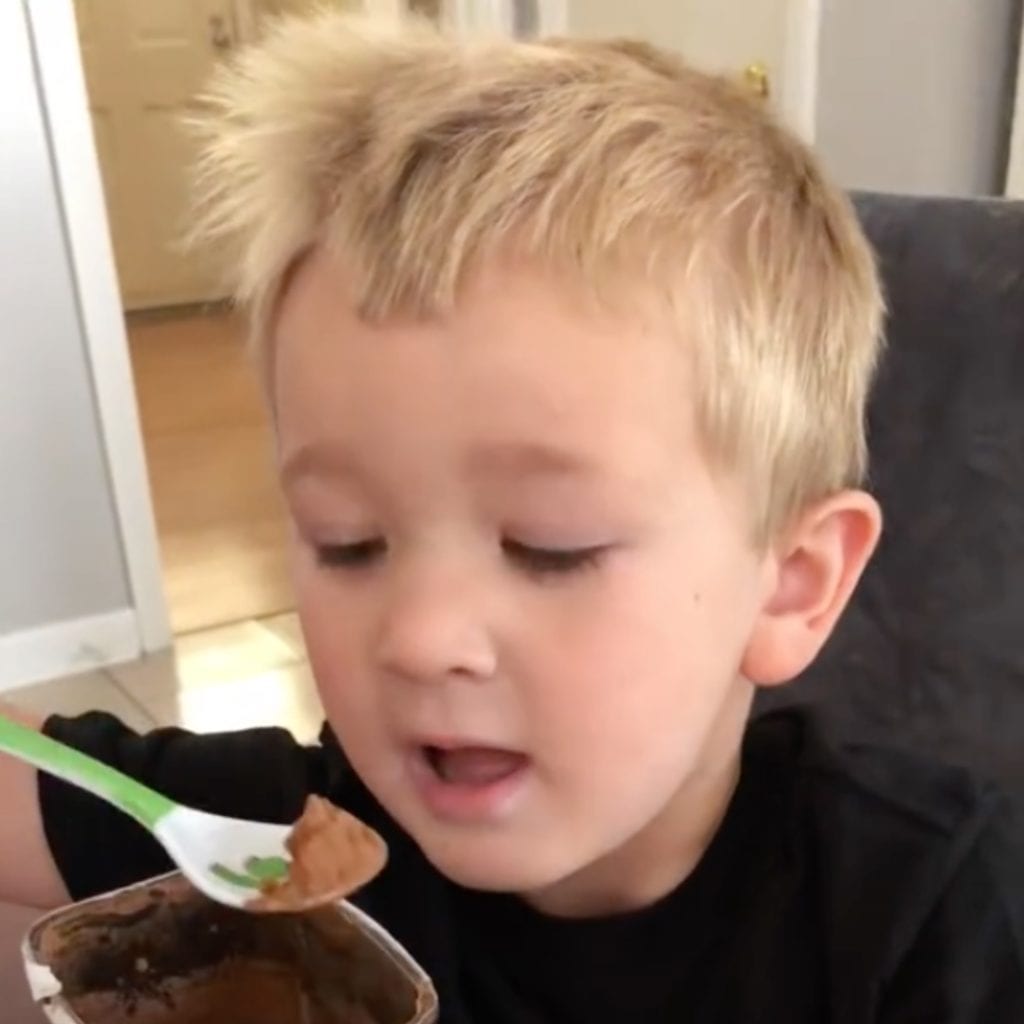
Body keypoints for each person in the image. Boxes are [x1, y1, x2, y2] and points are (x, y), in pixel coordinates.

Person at [1, 11, 1021, 1021]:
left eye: (549, 547)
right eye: (347, 540)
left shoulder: (927, 909)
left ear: (790, 584)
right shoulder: (299, 843)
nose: (419, 637)